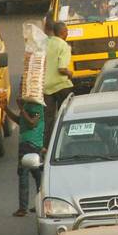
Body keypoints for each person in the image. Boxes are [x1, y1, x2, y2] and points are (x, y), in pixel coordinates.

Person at [0, 93, 44, 217]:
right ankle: (41, 203)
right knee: (38, 175)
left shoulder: (37, 106)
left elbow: (32, 123)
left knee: (24, 174)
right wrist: (5, 108)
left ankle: (24, 208)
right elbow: (21, 121)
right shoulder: (29, 105)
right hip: (29, 144)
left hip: (31, 144)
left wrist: (22, 109)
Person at [43, 19, 74, 150]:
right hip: (61, 85)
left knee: (48, 119)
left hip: (46, 87)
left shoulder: (45, 43)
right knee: (66, 115)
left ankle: (46, 146)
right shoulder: (64, 46)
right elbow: (61, 68)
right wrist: (70, 73)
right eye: (66, 31)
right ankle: (65, 143)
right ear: (63, 32)